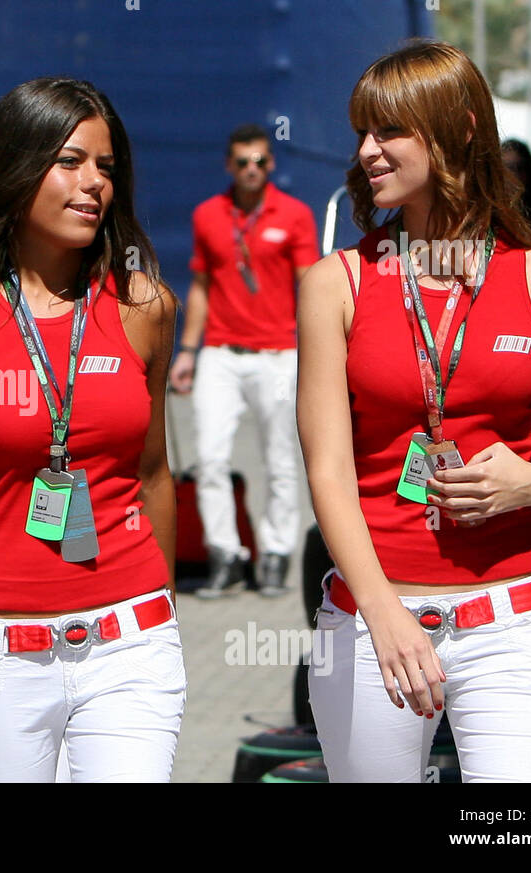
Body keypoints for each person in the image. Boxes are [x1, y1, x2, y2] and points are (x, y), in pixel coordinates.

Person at [299, 40, 531, 782]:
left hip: (517, 621)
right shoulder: (334, 283)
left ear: (460, 128)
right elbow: (328, 471)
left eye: (389, 130)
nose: (368, 150)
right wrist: (382, 612)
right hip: (373, 619)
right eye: (362, 132)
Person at [0, 77, 183, 783]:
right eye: (70, 161)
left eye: (106, 168)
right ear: (15, 169)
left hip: (130, 643)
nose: (93, 184)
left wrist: (161, 607)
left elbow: (155, 472)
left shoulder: (146, 306)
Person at [169, 123, 319, 598]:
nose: (251, 170)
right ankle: (225, 556)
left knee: (279, 458)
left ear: (271, 165)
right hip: (220, 353)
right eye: (242, 163)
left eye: (259, 161)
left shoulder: (294, 214)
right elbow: (200, 287)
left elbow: (311, 286)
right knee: (209, 458)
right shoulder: (208, 215)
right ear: (228, 166)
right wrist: (187, 352)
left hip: (278, 355)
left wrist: (318, 352)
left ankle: (276, 554)